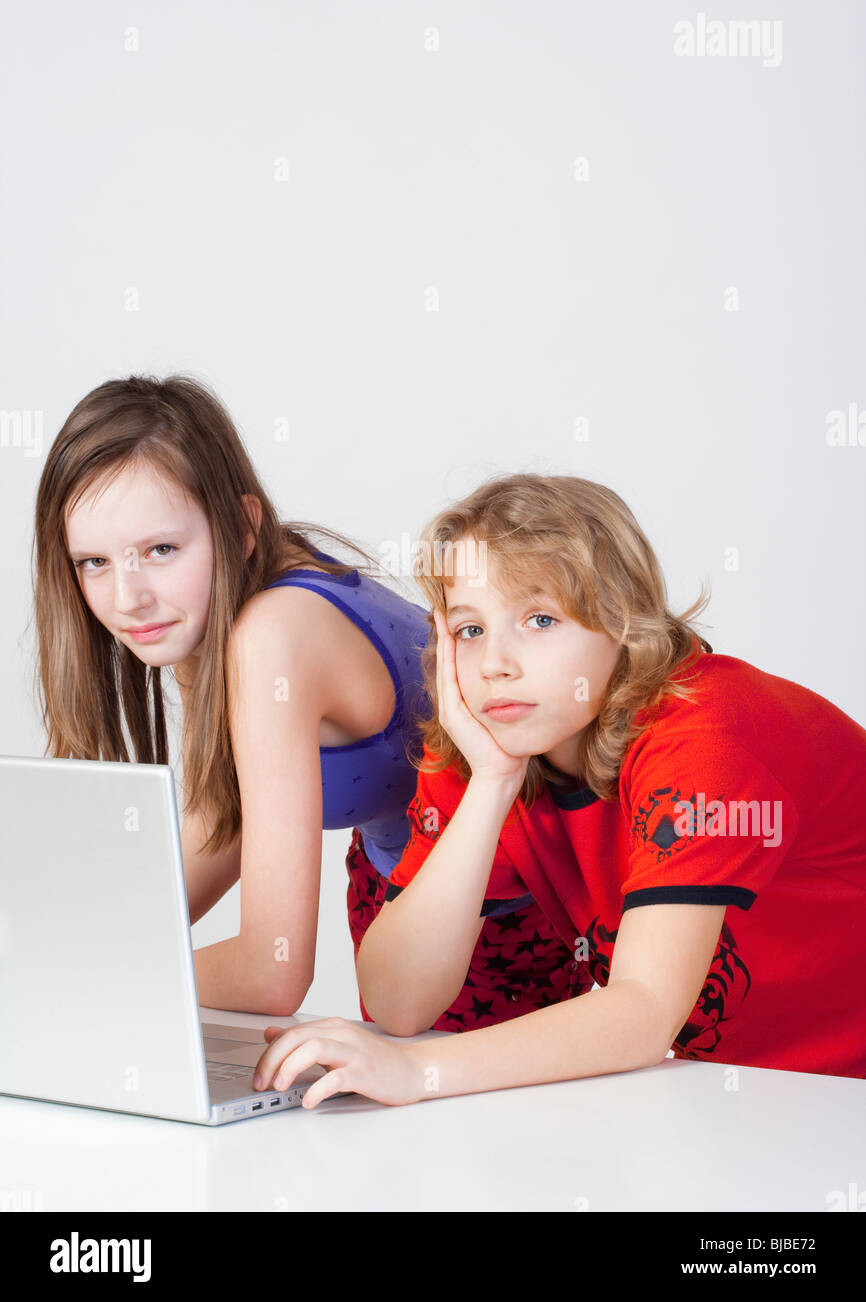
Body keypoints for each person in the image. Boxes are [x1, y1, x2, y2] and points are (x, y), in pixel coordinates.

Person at [250, 472, 866, 1105]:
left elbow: (645, 1013)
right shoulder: (497, 740)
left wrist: (420, 1072)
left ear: (623, 626)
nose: (495, 663)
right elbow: (397, 1003)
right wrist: (491, 783)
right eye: (469, 630)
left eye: (540, 619)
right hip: (773, 1100)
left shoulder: (709, 734)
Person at [29, 371, 436, 1016]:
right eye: (94, 563)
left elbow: (271, 972)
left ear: (241, 527)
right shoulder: (214, 614)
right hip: (407, 897)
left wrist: (79, 987)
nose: (127, 598)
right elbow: (225, 821)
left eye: (161, 549)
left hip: (516, 904)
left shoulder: (272, 635)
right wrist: (56, 949)